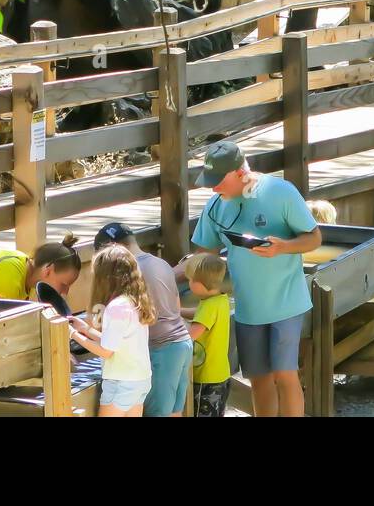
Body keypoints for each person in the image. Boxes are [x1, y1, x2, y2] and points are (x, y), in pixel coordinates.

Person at [191, 140, 321, 418]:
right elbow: (204, 255)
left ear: (240, 173)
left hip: (286, 303)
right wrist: (164, 272)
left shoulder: (281, 192)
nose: (213, 188)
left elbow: (314, 238)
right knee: (259, 378)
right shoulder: (215, 206)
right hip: (249, 307)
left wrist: (283, 247)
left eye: (218, 181)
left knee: (285, 374)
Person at [93, 222, 192, 418]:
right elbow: (176, 307)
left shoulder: (131, 272)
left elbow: (121, 320)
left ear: (112, 250)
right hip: (182, 344)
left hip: (160, 351)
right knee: (174, 412)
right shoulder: (161, 263)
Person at [68, 245, 155, 417]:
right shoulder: (133, 301)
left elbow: (106, 351)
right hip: (140, 379)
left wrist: (72, 334)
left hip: (121, 381)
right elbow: (115, 343)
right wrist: (85, 329)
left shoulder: (115, 308)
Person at [184, 253, 232, 418]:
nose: (188, 283)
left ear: (201, 283)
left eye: (191, 280)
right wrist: (178, 312)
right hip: (221, 375)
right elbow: (199, 314)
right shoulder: (220, 300)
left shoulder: (208, 307)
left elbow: (191, 335)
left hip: (206, 378)